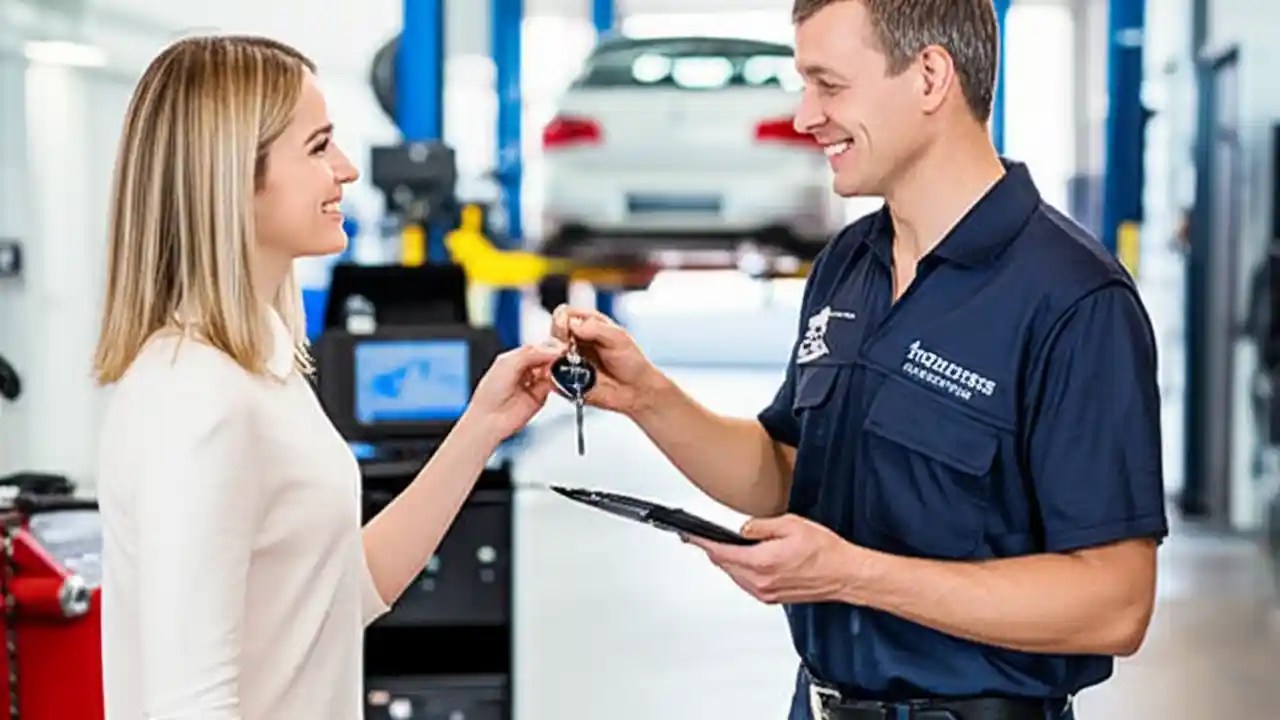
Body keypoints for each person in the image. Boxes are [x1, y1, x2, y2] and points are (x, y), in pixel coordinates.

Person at [551, 1, 1166, 718]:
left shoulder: (1072, 298)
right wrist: (647, 396)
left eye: (829, 85)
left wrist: (851, 575)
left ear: (930, 76)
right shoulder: (850, 262)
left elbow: (1114, 604)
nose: (806, 117)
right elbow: (786, 471)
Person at [91, 35, 565, 719]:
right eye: (317, 147)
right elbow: (188, 702)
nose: (344, 170)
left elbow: (342, 594)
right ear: (234, 177)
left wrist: (483, 424)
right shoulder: (194, 397)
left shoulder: (259, 368)